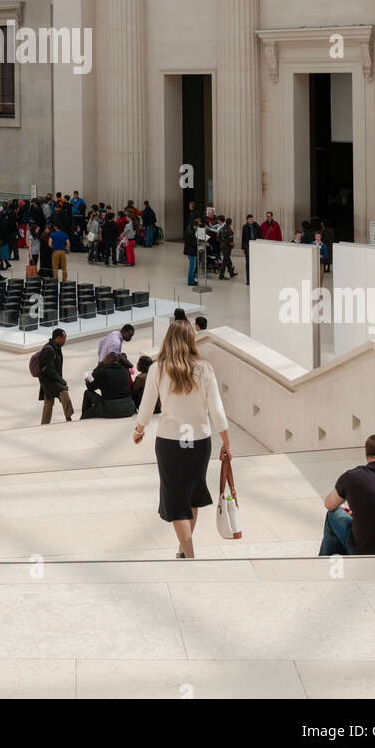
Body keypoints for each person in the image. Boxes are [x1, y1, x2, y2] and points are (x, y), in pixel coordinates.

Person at [133, 317, 231, 559]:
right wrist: (226, 442)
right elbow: (216, 409)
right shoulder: (205, 368)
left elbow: (146, 406)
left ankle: (189, 554)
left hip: (170, 442)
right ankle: (183, 551)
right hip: (199, 442)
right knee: (192, 495)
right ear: (190, 339)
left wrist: (139, 429)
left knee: (176, 497)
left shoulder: (158, 368)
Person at [81, 352, 136, 420]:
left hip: (111, 408)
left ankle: (84, 416)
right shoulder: (125, 370)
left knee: (87, 393)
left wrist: (87, 381)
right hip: (128, 408)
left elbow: (91, 388)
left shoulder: (103, 372)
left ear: (107, 361)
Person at [38, 327, 74, 424]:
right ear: (58, 338)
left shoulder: (57, 348)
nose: (65, 341)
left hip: (51, 380)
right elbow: (50, 370)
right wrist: (62, 381)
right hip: (48, 381)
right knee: (64, 392)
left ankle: (44, 424)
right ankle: (68, 418)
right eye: (64, 338)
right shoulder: (49, 350)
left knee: (49, 402)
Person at [241, 213, 260, 284]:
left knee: (255, 263)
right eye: (250, 219)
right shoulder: (245, 227)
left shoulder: (256, 226)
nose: (252, 220)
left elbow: (260, 235)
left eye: (252, 219)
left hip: (255, 247)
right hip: (247, 247)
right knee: (248, 263)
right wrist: (243, 248)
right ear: (247, 220)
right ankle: (248, 280)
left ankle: (255, 278)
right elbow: (243, 237)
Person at [183, 218, 199, 287]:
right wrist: (199, 243)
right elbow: (194, 243)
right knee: (192, 267)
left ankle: (192, 280)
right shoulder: (191, 233)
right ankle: (191, 282)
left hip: (188, 251)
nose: (197, 228)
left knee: (192, 267)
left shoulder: (187, 230)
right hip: (192, 252)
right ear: (194, 226)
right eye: (196, 226)